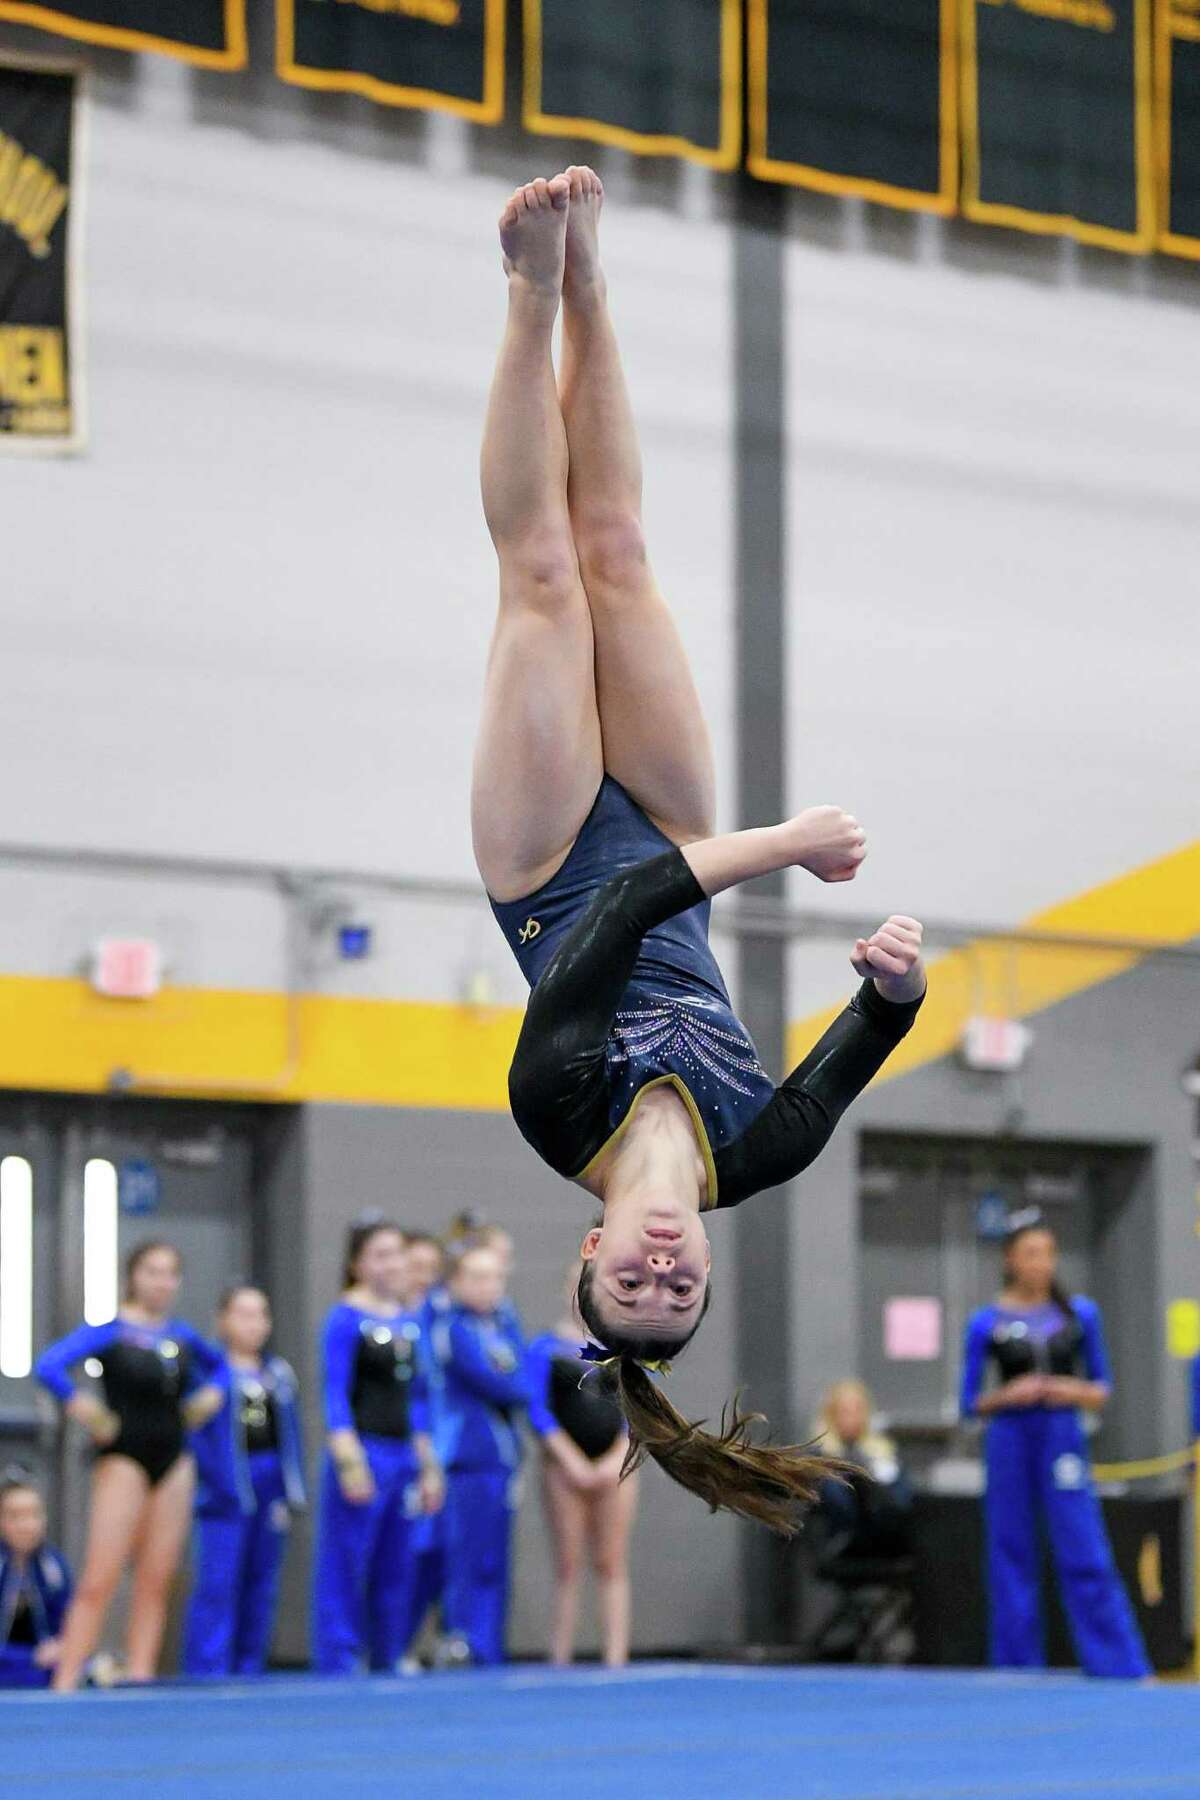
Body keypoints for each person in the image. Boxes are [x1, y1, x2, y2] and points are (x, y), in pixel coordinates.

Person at [471, 164, 927, 1531]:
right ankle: (595, 284)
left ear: (592, 1259)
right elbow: (870, 1038)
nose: (660, 1272)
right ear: (704, 1279)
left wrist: (782, 842)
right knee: (618, 551)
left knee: (543, 580)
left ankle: (526, 294)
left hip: (551, 866)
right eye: (678, 1293)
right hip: (678, 837)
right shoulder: (760, 1152)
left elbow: (612, 932)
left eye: (632, 1285)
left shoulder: (559, 1114)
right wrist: (895, 981)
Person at [960, 1211, 1150, 1679]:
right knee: (1010, 1551)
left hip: (1062, 1436)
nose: (1041, 1263)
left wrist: (1066, 1389)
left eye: (1048, 1253)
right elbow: (970, 1402)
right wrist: (1008, 1395)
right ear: (1010, 1259)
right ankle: (1017, 1667)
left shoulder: (1080, 1314)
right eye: (1030, 1253)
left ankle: (1120, 1664)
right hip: (1009, 1437)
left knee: (1083, 1546)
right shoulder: (986, 1323)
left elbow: (1101, 1387)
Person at [34, 1240, 224, 1691]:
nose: (161, 1282)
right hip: (125, 1456)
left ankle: (140, 1675)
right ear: (133, 1277)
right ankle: (65, 1681)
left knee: (156, 1579)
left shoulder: (181, 1337)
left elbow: (222, 1368)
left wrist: (211, 1395)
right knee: (101, 1575)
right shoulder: (113, 1331)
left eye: (170, 1273)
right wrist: (83, 1408)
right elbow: (50, 1365)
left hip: (173, 1459)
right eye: (152, 1272)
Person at [312, 1220, 443, 1674]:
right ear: (358, 1264)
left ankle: (389, 1655)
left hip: (404, 1454)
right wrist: (348, 1459)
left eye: (397, 1254)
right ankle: (340, 1659)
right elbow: (335, 1393)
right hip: (363, 1451)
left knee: (398, 1564)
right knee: (347, 1562)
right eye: (380, 1255)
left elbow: (419, 1399)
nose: (392, 1264)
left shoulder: (410, 1322)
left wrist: (428, 1466)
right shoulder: (345, 1317)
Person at [183, 1285, 306, 1677]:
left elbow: (290, 1437)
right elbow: (193, 1432)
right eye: (243, 1314)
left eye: (261, 1315)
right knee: (218, 1583)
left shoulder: (278, 1373)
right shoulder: (207, 1371)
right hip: (226, 1489)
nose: (254, 1324)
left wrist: (290, 1490)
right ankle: (208, 1668)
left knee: (261, 1582)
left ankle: (249, 1666)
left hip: (269, 1485)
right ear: (223, 1320)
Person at [525, 1262, 636, 1665]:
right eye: (579, 1286)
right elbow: (537, 1410)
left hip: (615, 1464)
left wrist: (614, 1459)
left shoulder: (623, 1347)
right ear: (567, 1291)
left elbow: (638, 1409)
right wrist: (569, 1460)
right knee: (568, 1563)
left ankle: (616, 1655)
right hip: (563, 1466)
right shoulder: (544, 1348)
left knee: (611, 1561)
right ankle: (560, 1656)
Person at [438, 1243, 527, 1665]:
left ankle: (489, 1645)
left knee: (495, 1556)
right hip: (468, 1458)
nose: (487, 1286)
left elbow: (524, 1378)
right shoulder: (453, 1329)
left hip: (503, 1460)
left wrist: (514, 1380)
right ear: (455, 1282)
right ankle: (463, 1638)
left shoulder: (504, 1324)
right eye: (476, 1277)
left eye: (494, 1277)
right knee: (467, 1552)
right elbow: (497, 1383)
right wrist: (512, 1380)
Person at [813, 1379, 913, 1560]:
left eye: (858, 1411)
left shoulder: (883, 1452)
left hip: (885, 1537)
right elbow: (837, 1505)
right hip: (841, 1540)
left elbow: (902, 1501)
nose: (852, 1419)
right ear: (832, 1415)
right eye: (845, 1412)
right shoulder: (820, 1455)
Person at [0, 1476, 72, 1689]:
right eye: (16, 1516)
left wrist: (61, 1647)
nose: (27, 1525)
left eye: (34, 1514)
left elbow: (70, 1624)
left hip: (43, 1668)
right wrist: (28, 1656)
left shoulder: (55, 1566)